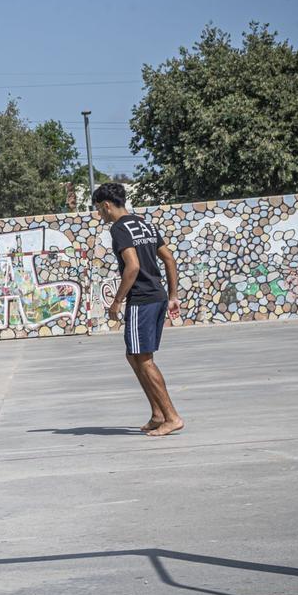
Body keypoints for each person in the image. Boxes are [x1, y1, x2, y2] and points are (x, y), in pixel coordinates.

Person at [92, 183, 184, 437]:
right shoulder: (144, 224)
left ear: (106, 206)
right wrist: (173, 295)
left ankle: (172, 417)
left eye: (99, 210)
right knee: (134, 356)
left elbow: (131, 266)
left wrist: (117, 301)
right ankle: (157, 414)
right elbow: (169, 258)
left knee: (144, 360)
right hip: (158, 296)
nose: (100, 215)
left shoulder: (120, 228)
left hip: (141, 299)